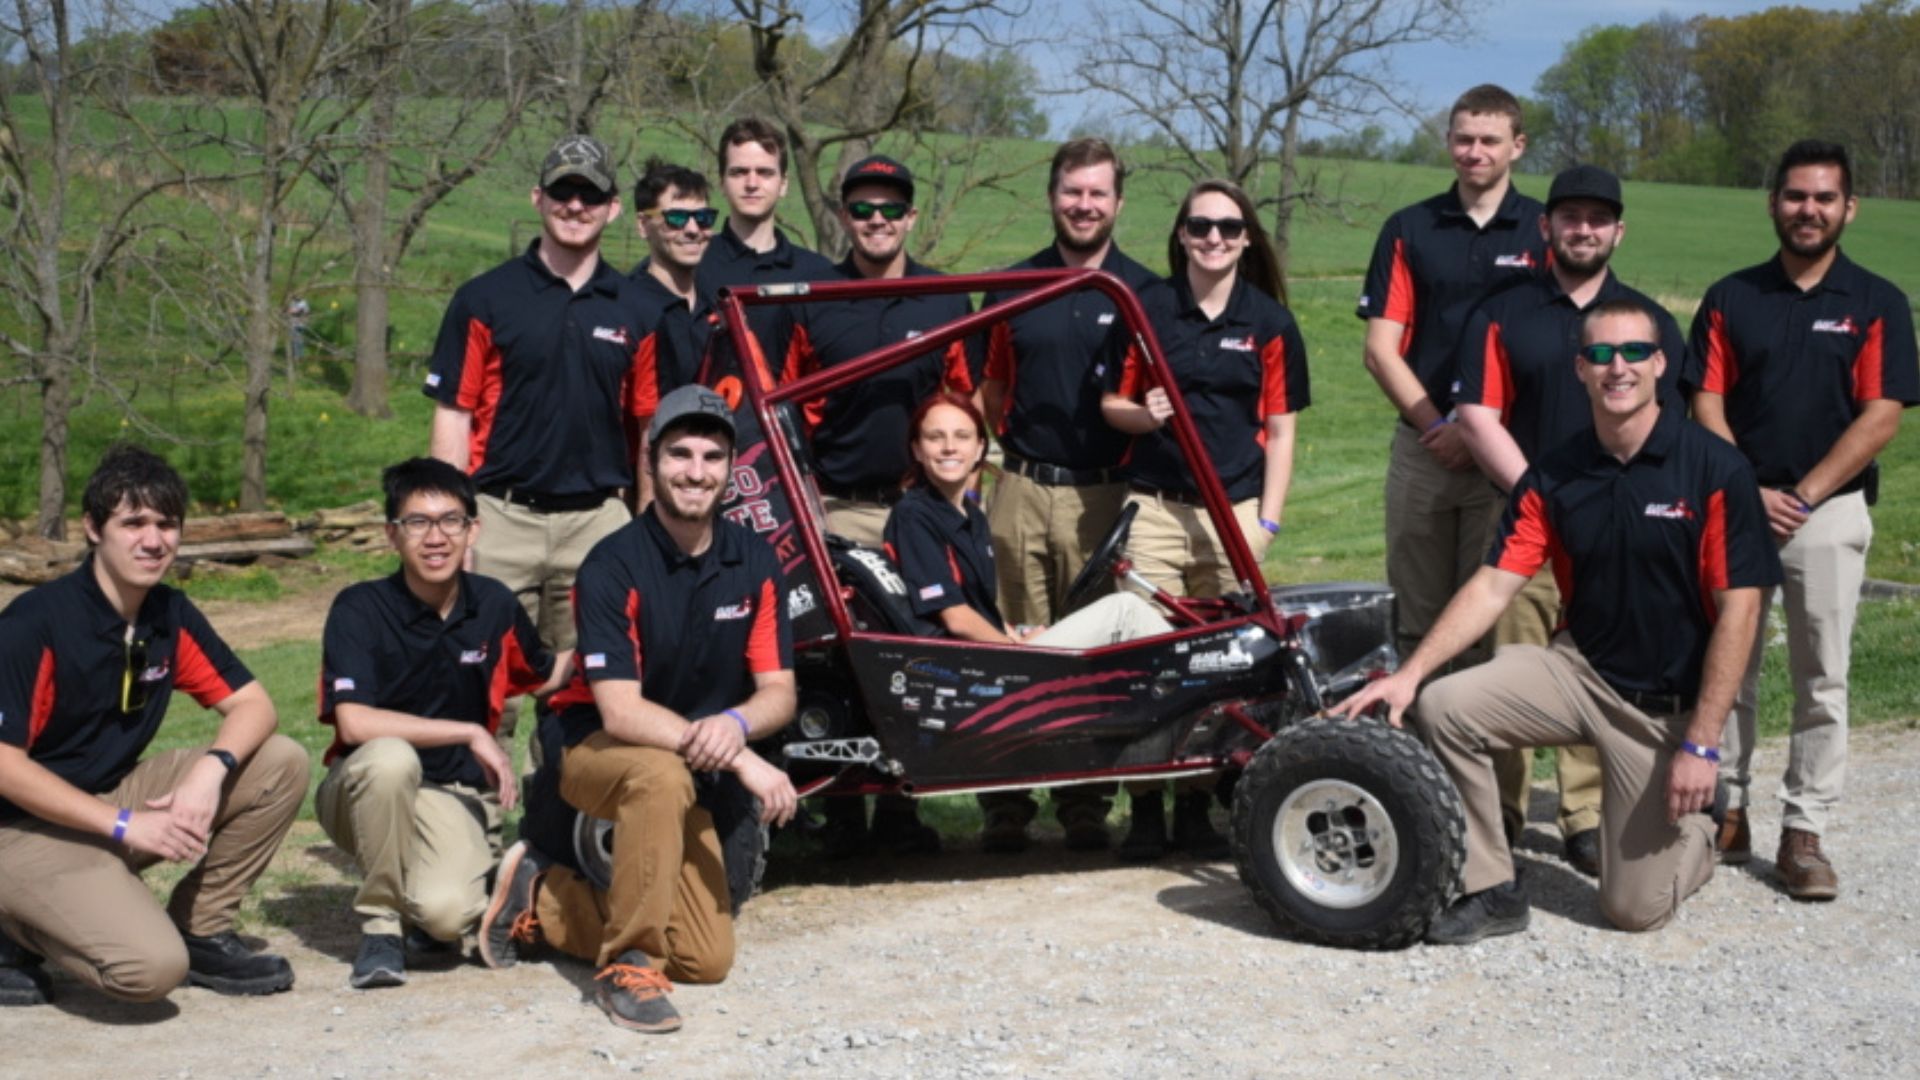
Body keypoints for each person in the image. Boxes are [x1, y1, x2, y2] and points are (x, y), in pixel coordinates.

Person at [1331, 300, 1780, 941]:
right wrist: (1410, 675)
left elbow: (1741, 609)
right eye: (1599, 355)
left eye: (1631, 353)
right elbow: (1492, 585)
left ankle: (1704, 825)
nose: (1615, 368)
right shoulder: (1557, 473)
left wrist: (1702, 744)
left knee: (1632, 910)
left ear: (1659, 363)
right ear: (1580, 369)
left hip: (1663, 713)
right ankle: (1492, 887)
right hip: (1578, 673)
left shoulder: (1714, 469)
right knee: (1446, 705)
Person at [477, 385, 798, 1035]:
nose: (696, 471)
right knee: (658, 773)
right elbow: (620, 712)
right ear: (650, 460)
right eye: (680, 454)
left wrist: (735, 724)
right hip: (592, 744)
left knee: (706, 960)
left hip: (697, 754)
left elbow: (780, 692)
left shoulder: (755, 559)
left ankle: (545, 897)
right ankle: (628, 964)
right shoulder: (613, 563)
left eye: (712, 456)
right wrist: (744, 759)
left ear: (731, 468)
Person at [1689, 139, 1918, 899]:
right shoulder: (1731, 296)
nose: (1808, 210)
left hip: (1828, 513)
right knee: (1730, 667)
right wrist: (1749, 487)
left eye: (1824, 198)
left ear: (1849, 207)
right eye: (1795, 196)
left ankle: (1804, 830)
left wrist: (1806, 494)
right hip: (1739, 505)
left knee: (1823, 674)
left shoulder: (1876, 301)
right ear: (1773, 204)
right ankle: (1728, 811)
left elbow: (1881, 414)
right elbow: (1705, 401)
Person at [0, 445, 309, 1006]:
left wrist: (209, 772)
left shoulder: (167, 614)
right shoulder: (35, 623)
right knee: (150, 970)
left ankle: (203, 925)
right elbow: (2, 765)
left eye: (167, 524)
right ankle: (12, 925)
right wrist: (122, 825)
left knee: (279, 761)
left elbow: (255, 705)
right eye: (133, 522)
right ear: (93, 528)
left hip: (103, 805)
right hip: (16, 829)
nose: (153, 540)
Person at [1452, 164, 1690, 876]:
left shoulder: (1648, 322)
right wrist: (1539, 493)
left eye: (1598, 218)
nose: (1583, 229)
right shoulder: (1501, 313)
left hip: (1616, 529)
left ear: (1619, 229)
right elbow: (1477, 414)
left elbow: (1666, 423)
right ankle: (1507, 811)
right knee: (1515, 667)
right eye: (1570, 216)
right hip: (1525, 520)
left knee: (1599, 669)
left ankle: (1585, 813)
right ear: (1545, 226)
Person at [1356, 83, 1548, 850]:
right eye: (1463, 138)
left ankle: (1496, 817)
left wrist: (1483, 431)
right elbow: (1381, 345)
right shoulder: (1411, 228)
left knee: (1500, 634)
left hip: (1511, 455)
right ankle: (1423, 802)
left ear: (1517, 147)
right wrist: (1437, 423)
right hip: (1426, 451)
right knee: (1418, 623)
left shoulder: (1542, 230)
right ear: (1450, 141)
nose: (1475, 152)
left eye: (1490, 141)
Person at [1100, 179, 1309, 861]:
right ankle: (1146, 806)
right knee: (1147, 661)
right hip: (1157, 507)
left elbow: (1280, 431)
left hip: (1234, 513)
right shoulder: (1146, 307)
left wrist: (1268, 524)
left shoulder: (1271, 323)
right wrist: (1144, 414)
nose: (1213, 239)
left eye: (1227, 227)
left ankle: (1199, 803)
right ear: (1181, 235)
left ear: (1246, 236)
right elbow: (1112, 406)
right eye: (1200, 227)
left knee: (1219, 661)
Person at [780, 154, 976, 855]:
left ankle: (904, 805)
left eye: (890, 209)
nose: (877, 221)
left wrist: (956, 501)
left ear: (911, 217)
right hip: (831, 507)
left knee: (919, 651)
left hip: (915, 508)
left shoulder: (945, 298)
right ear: (843, 218)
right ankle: (839, 812)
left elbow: (963, 400)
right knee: (836, 656)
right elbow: (787, 408)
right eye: (862, 209)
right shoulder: (811, 294)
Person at [973, 137, 1163, 854]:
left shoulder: (1145, 291)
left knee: (1096, 653)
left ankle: (1085, 802)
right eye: (1072, 191)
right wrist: (1004, 461)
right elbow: (990, 386)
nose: (1084, 205)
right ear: (1051, 195)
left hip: (1108, 496)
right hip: (1021, 487)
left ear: (1118, 202)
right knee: (1013, 646)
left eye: (1097, 193)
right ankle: (1006, 803)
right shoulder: (1012, 284)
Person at [424, 134, 648, 742]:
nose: (576, 206)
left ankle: (563, 827)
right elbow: (453, 414)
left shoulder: (637, 307)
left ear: (613, 208)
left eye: (591, 195)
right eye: (563, 192)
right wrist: (452, 521)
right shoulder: (484, 298)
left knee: (595, 688)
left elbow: (649, 430)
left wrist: (650, 532)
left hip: (599, 522)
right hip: (499, 516)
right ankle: (475, 827)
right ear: (537, 198)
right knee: (485, 681)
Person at [315, 458, 569, 990]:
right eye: (417, 523)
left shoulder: (494, 604)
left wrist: (611, 646)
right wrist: (471, 732)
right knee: (391, 757)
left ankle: (427, 905)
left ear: (473, 529)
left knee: (449, 916)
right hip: (363, 787)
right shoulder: (359, 608)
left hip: (449, 794)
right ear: (392, 534)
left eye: (451, 520)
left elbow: (544, 676)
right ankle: (381, 927)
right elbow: (356, 723)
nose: (436, 537)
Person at [886, 392, 1173, 649]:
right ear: (917, 450)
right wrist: (1015, 649)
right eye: (935, 437)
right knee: (1125, 610)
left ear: (979, 448)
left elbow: (982, 610)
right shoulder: (914, 514)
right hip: (968, 664)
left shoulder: (973, 516)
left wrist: (1016, 635)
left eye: (962, 436)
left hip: (996, 649)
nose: (949, 447)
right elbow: (955, 618)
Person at [697, 117, 837, 365]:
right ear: (721, 183)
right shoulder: (691, 265)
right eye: (739, 172)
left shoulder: (818, 274)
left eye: (764, 172)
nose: (752, 184)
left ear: (783, 184)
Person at [628, 158, 719, 505]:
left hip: (704, 488)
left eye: (704, 218)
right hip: (644, 495)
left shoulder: (718, 309)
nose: (693, 229)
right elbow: (645, 427)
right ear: (643, 225)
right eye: (676, 218)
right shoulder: (628, 308)